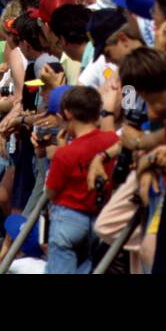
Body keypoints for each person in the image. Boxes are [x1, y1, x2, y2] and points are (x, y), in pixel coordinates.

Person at [44, 85, 118, 273]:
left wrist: (60, 151)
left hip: (67, 218)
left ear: (68, 113)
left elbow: (51, 191)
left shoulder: (65, 154)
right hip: (98, 217)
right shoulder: (111, 142)